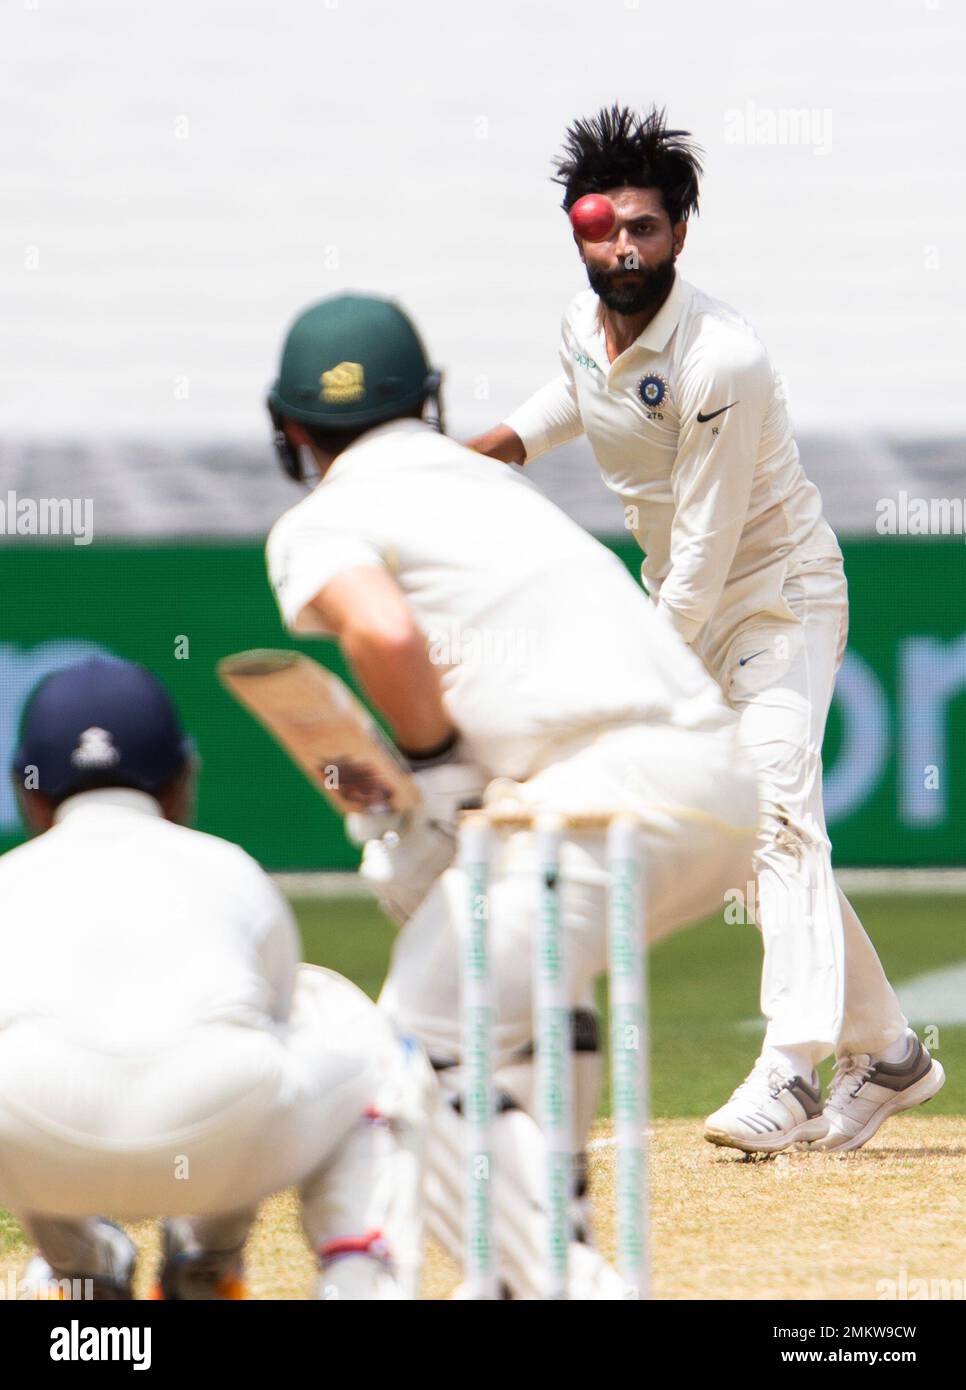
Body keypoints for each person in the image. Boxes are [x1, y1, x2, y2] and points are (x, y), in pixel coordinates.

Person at [467, 104, 944, 1155]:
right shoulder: (582, 324)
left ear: (680, 232)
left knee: (776, 815)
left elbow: (705, 551)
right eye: (605, 231)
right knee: (749, 840)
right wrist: (497, 446)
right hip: (694, 599)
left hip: (779, 599)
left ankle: (794, 1070)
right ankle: (891, 1054)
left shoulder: (724, 358)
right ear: (580, 232)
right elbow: (584, 390)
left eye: (645, 228)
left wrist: (634, 675)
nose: (624, 250)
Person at [264, 291, 761, 1297]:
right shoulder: (482, 484)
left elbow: (385, 634)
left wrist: (436, 773)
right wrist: (449, 797)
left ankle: (565, 1281)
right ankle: (526, 1258)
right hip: (710, 780)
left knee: (409, 1047)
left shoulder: (322, 519)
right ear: (430, 399)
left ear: (290, 429)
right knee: (515, 999)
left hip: (609, 792)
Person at [0, 658, 432, 1300]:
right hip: (222, 1146)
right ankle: (257, 1267)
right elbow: (272, 1027)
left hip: (32, 1152)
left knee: (22, 1056)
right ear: (181, 783)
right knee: (365, 1039)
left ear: (29, 793)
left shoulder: (10, 880)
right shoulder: (230, 869)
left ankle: (80, 1275)